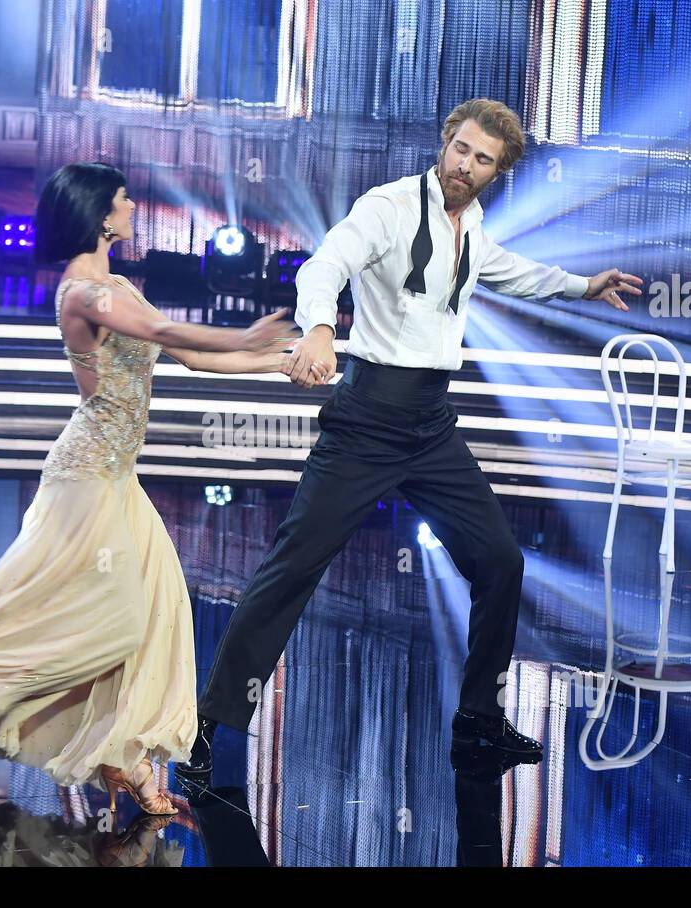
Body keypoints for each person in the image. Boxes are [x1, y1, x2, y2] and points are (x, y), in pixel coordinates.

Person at [179, 98, 643, 782]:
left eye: (482, 159)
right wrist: (317, 328)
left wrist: (583, 285)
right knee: (290, 572)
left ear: (496, 171)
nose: (465, 165)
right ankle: (211, 730)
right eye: (460, 148)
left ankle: (479, 720)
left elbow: (513, 272)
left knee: (501, 563)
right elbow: (326, 264)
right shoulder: (389, 207)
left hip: (431, 426)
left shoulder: (474, 225)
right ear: (445, 142)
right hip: (367, 416)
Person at [0, 162, 300, 816]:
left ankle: (133, 770)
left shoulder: (118, 285)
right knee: (111, 614)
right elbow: (163, 333)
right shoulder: (82, 294)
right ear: (101, 215)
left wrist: (278, 361)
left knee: (158, 614)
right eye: (124, 200)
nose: (133, 206)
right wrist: (243, 333)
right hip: (87, 474)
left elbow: (190, 354)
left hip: (117, 475)